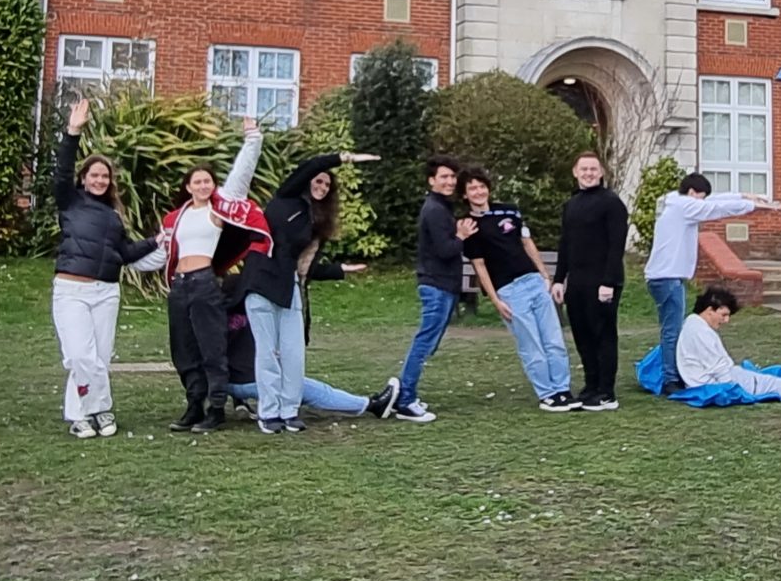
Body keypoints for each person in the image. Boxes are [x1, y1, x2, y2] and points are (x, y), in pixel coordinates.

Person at [231, 143, 378, 434]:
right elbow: (311, 165)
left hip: (289, 287)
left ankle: (289, 411)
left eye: (327, 185)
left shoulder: (315, 223)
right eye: (318, 181)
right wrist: (344, 158)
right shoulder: (286, 197)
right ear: (307, 181)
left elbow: (305, 269)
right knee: (267, 353)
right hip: (260, 282)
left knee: (293, 353)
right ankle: (269, 413)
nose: (321, 187)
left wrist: (340, 270)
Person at [50, 98, 161, 438]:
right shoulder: (70, 201)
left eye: (105, 176)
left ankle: (80, 417)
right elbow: (62, 171)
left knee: (99, 358)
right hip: (72, 289)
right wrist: (73, 132)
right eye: (94, 175)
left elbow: (123, 253)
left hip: (106, 292)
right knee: (80, 357)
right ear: (84, 179)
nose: (99, 180)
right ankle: (100, 408)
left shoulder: (113, 215)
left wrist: (155, 241)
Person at [148, 118, 263, 434]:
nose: (202, 186)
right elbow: (161, 254)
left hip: (204, 283)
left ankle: (216, 408)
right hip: (179, 286)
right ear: (188, 187)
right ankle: (194, 405)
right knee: (183, 349)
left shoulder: (220, 208)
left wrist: (252, 138)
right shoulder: (176, 218)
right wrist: (118, 259)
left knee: (211, 346)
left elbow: (241, 174)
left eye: (207, 181)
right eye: (196, 182)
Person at [642, 174, 777, 393]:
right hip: (667, 278)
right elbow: (715, 209)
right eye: (700, 197)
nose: (702, 201)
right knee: (672, 331)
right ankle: (670, 380)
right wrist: (751, 206)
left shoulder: (675, 200)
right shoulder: (684, 207)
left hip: (664, 277)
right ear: (692, 193)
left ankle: (672, 373)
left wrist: (743, 196)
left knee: (672, 328)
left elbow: (715, 201)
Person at [460, 166, 577, 412]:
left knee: (554, 340)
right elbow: (480, 266)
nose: (478, 191)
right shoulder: (468, 225)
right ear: (465, 194)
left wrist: (544, 275)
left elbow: (527, 242)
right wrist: (496, 301)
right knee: (531, 345)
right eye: (472, 188)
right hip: (510, 291)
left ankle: (563, 390)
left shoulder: (509, 211)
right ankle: (548, 395)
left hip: (534, 282)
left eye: (481, 186)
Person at [389, 155, 476, 424]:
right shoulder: (435, 210)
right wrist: (461, 236)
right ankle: (405, 400)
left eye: (452, 177)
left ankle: (406, 395)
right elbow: (446, 250)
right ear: (431, 181)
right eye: (444, 177)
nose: (450, 181)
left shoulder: (442, 207)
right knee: (424, 343)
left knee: (429, 343)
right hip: (436, 285)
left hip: (443, 284)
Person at [553, 153, 630, 411]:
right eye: (583, 169)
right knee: (582, 335)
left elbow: (616, 246)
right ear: (575, 172)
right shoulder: (571, 204)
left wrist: (608, 282)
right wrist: (558, 279)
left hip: (603, 281)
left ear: (601, 172)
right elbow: (565, 244)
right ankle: (591, 386)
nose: (588, 173)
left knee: (603, 335)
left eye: (593, 169)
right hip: (577, 281)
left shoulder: (612, 203)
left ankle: (606, 392)